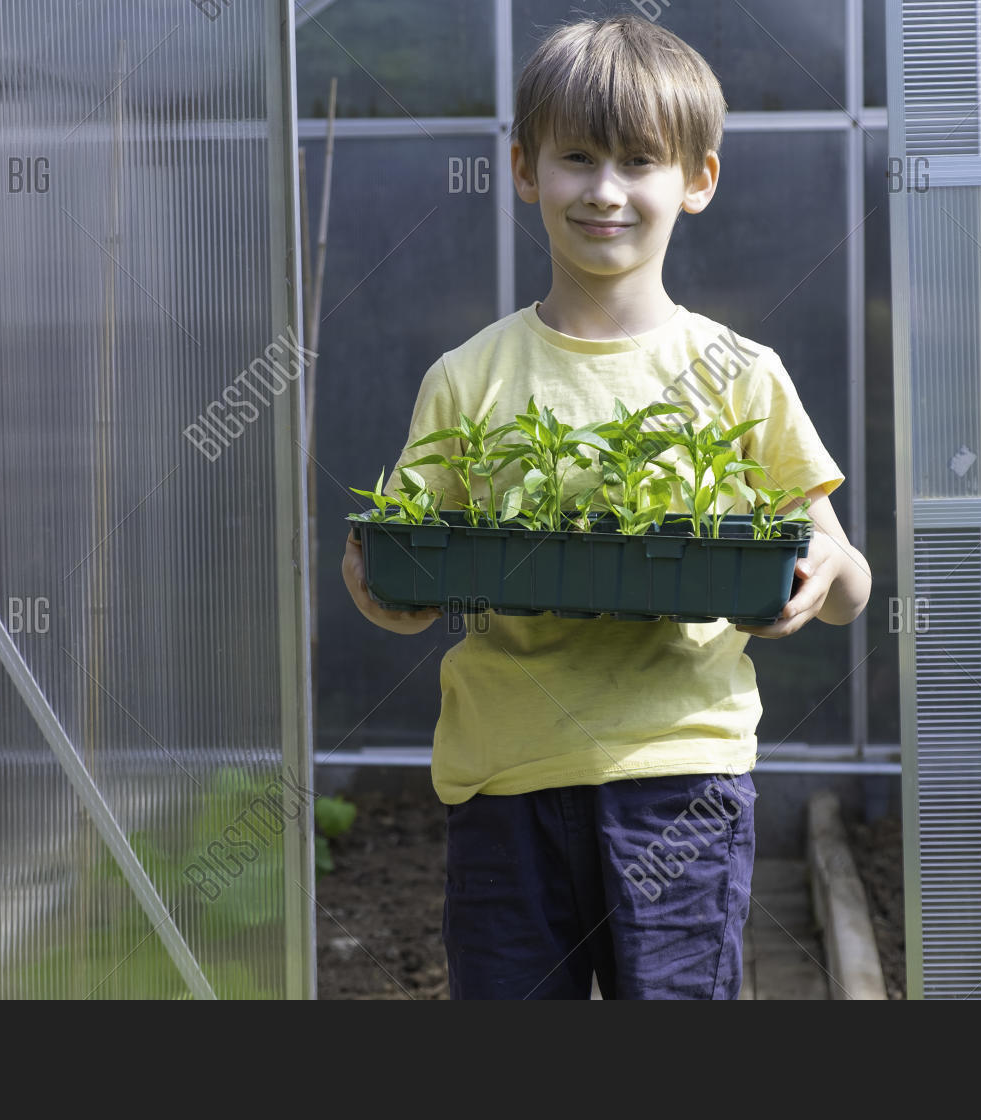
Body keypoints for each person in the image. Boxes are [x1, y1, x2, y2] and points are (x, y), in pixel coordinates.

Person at [340, 14, 871, 999]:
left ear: (698, 180)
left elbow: (847, 573)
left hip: (682, 779)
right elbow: (410, 569)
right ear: (524, 169)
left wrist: (822, 578)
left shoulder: (740, 375)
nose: (607, 189)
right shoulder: (469, 379)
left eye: (639, 159)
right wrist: (381, 586)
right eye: (577, 157)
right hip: (505, 780)